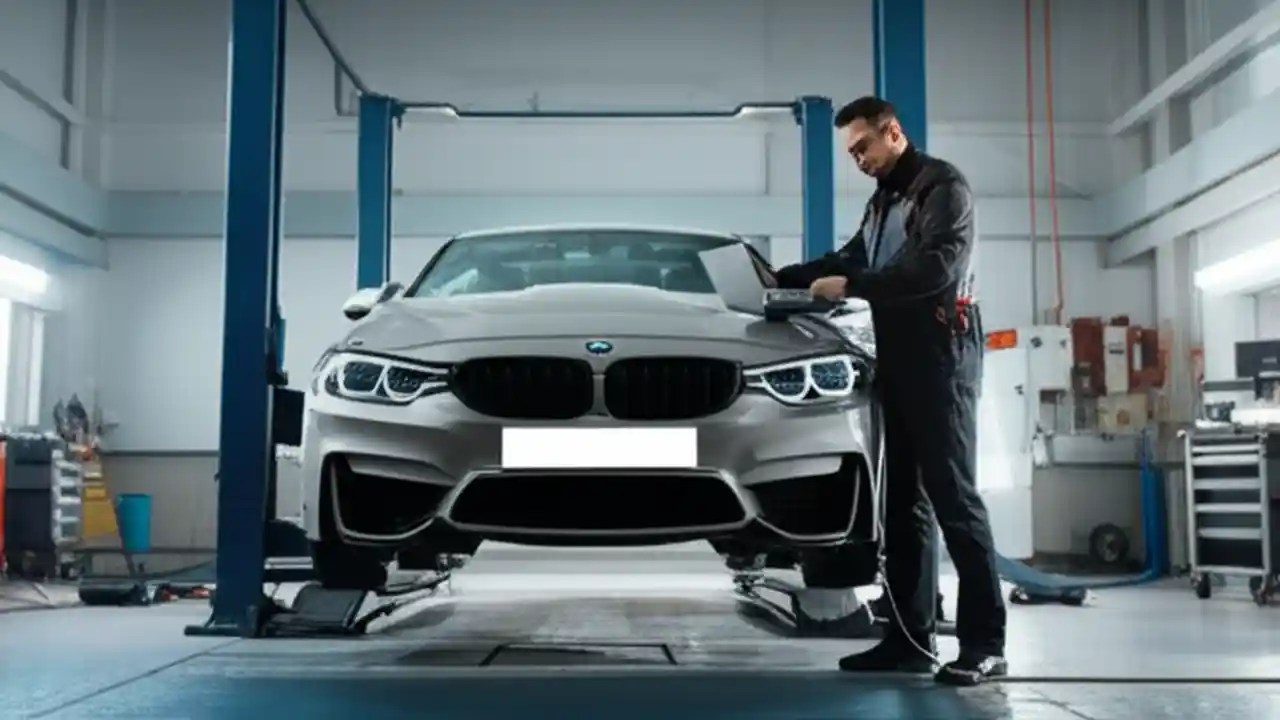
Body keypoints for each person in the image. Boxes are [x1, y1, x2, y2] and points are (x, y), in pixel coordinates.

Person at [775, 96, 1008, 686]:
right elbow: (851, 256)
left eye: (862, 148)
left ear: (893, 132)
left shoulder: (941, 188)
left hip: (942, 359)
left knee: (954, 499)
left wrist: (850, 283)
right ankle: (910, 638)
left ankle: (985, 642)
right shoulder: (884, 200)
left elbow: (933, 269)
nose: (857, 159)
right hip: (900, 360)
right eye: (851, 152)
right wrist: (779, 277)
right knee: (902, 507)